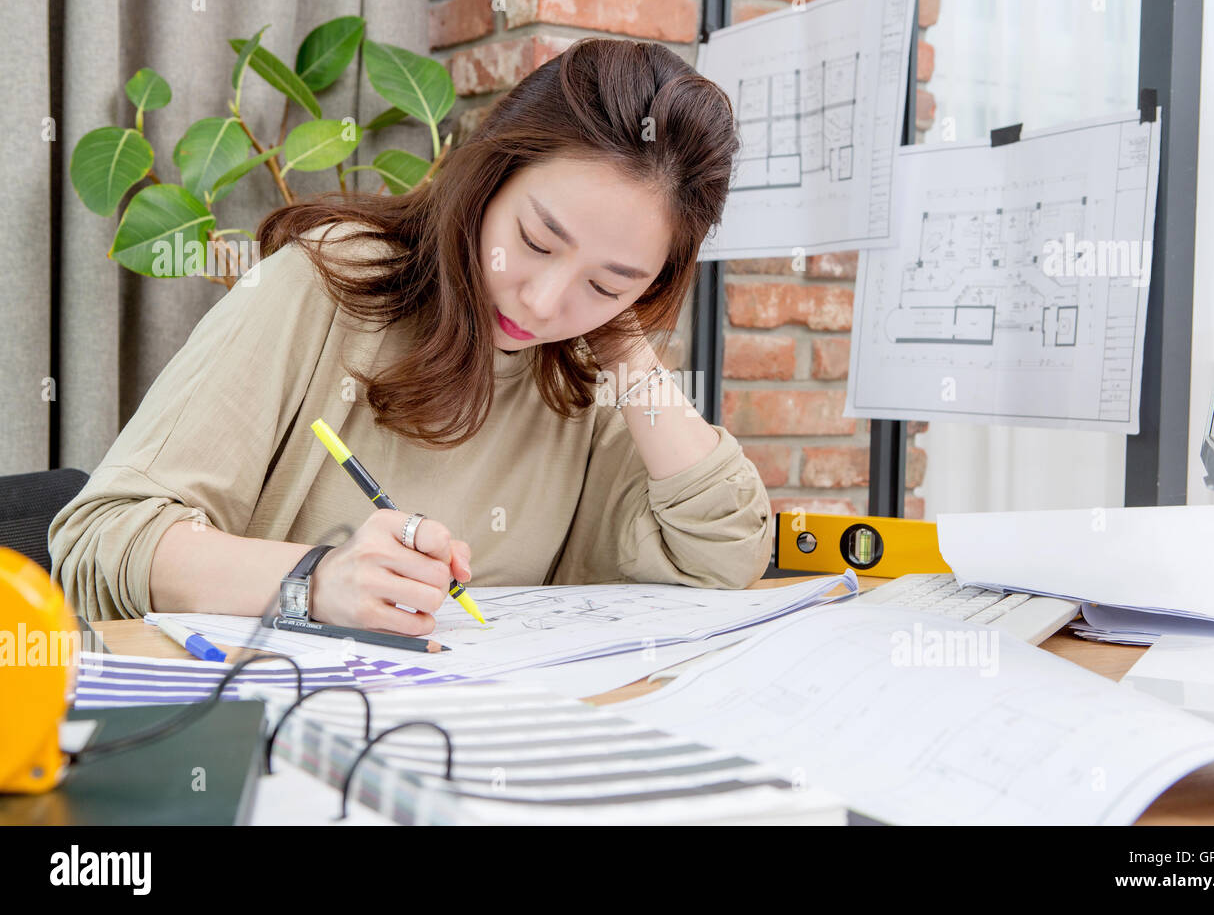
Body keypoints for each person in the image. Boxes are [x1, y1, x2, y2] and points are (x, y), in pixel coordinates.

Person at [48, 37, 774, 633]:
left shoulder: (588, 363)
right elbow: (100, 540)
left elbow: (727, 556)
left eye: (608, 283)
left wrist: (622, 342)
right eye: (536, 239)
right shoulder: (325, 284)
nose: (545, 300)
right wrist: (315, 580)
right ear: (489, 177)